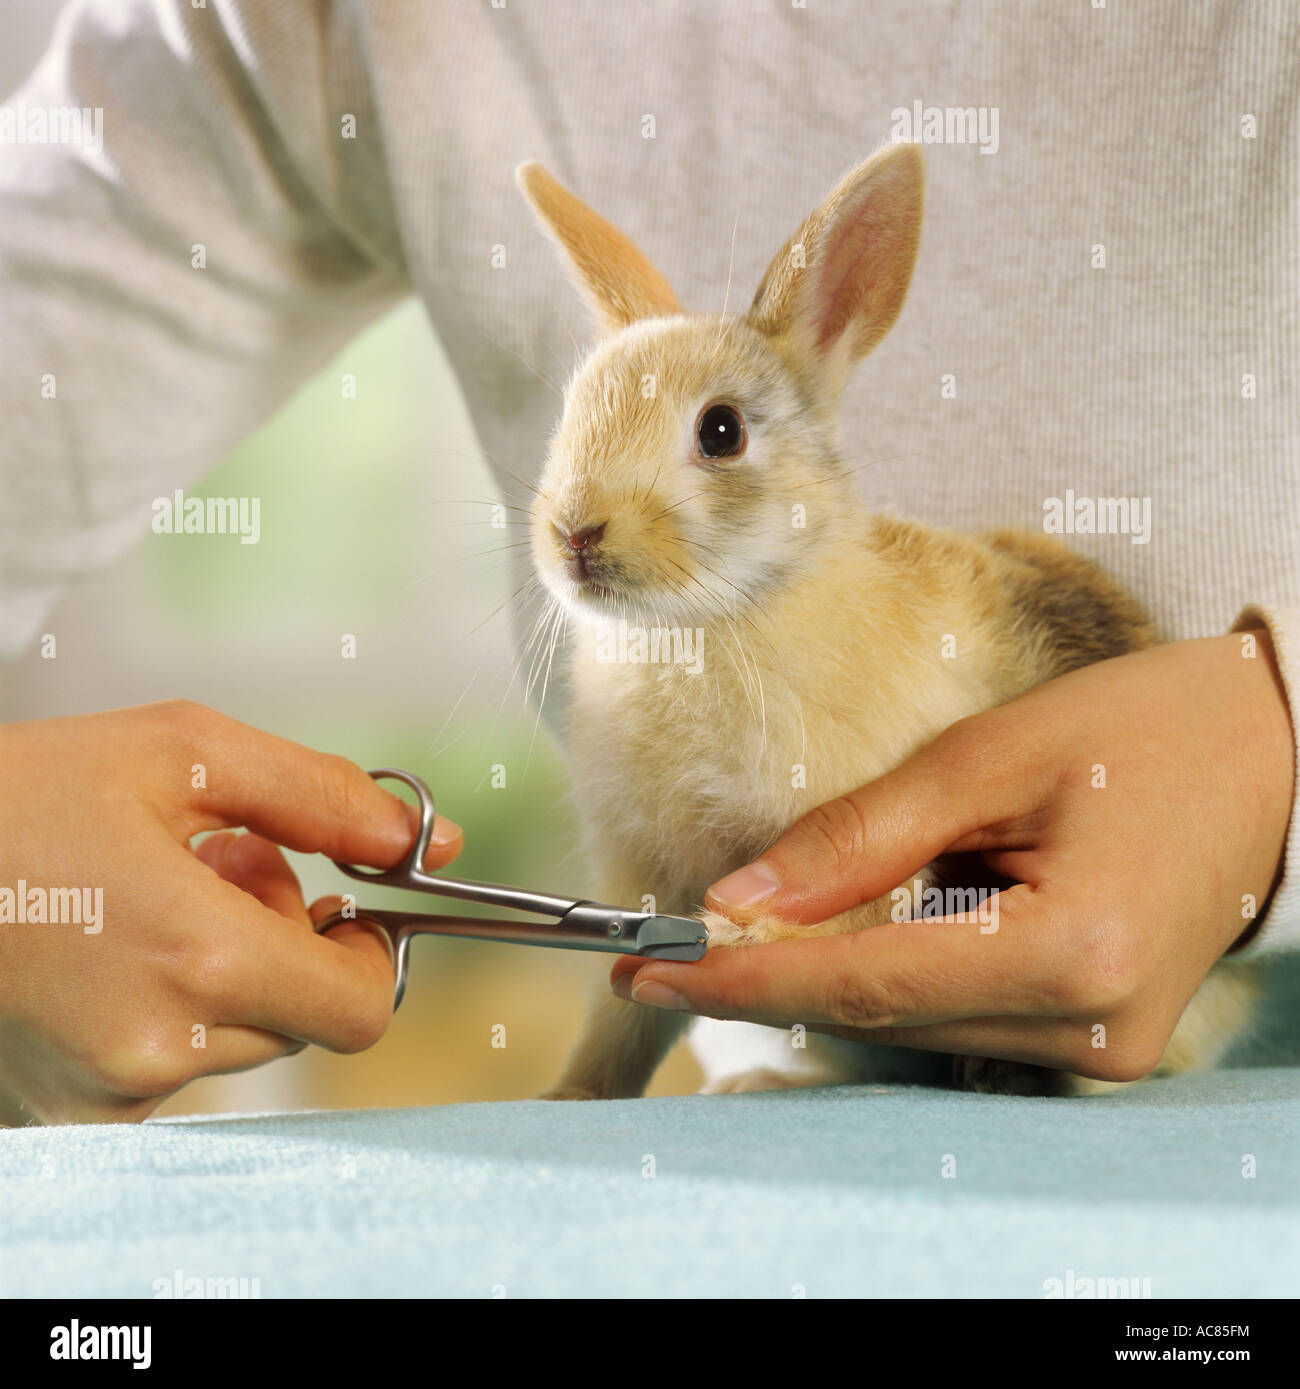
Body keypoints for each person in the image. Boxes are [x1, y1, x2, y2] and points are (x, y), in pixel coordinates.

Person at [1, 0, 1295, 1123]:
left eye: (716, 438)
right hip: (797, 1141)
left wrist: (1272, 746)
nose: (580, 524)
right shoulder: (331, 29)